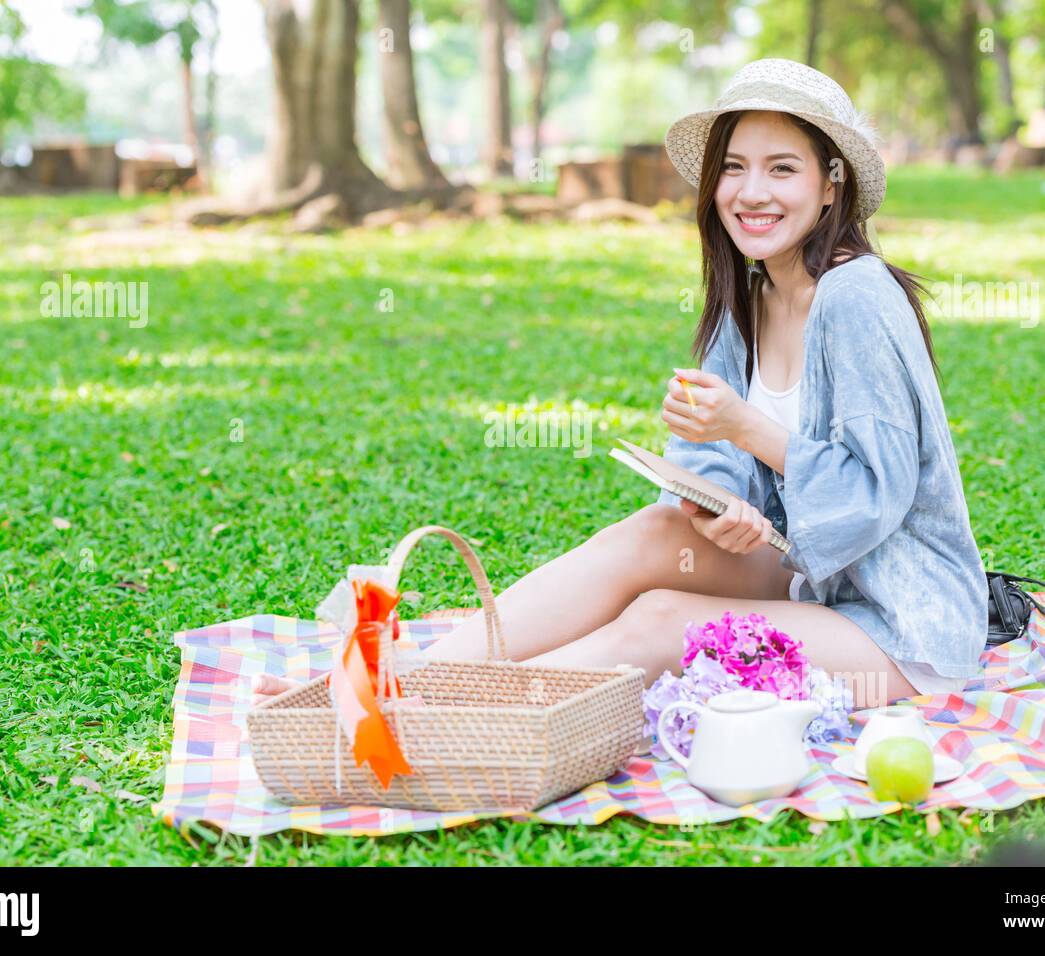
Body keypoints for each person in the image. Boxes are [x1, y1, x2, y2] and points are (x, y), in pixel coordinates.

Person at [253, 59, 988, 710]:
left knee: (662, 620)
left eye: (782, 169)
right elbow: (710, 468)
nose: (750, 192)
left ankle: (429, 711)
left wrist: (744, 427)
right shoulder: (751, 298)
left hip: (898, 623)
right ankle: (405, 677)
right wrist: (715, 510)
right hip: (810, 577)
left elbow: (876, 494)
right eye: (733, 167)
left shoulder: (858, 298)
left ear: (832, 187)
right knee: (656, 533)